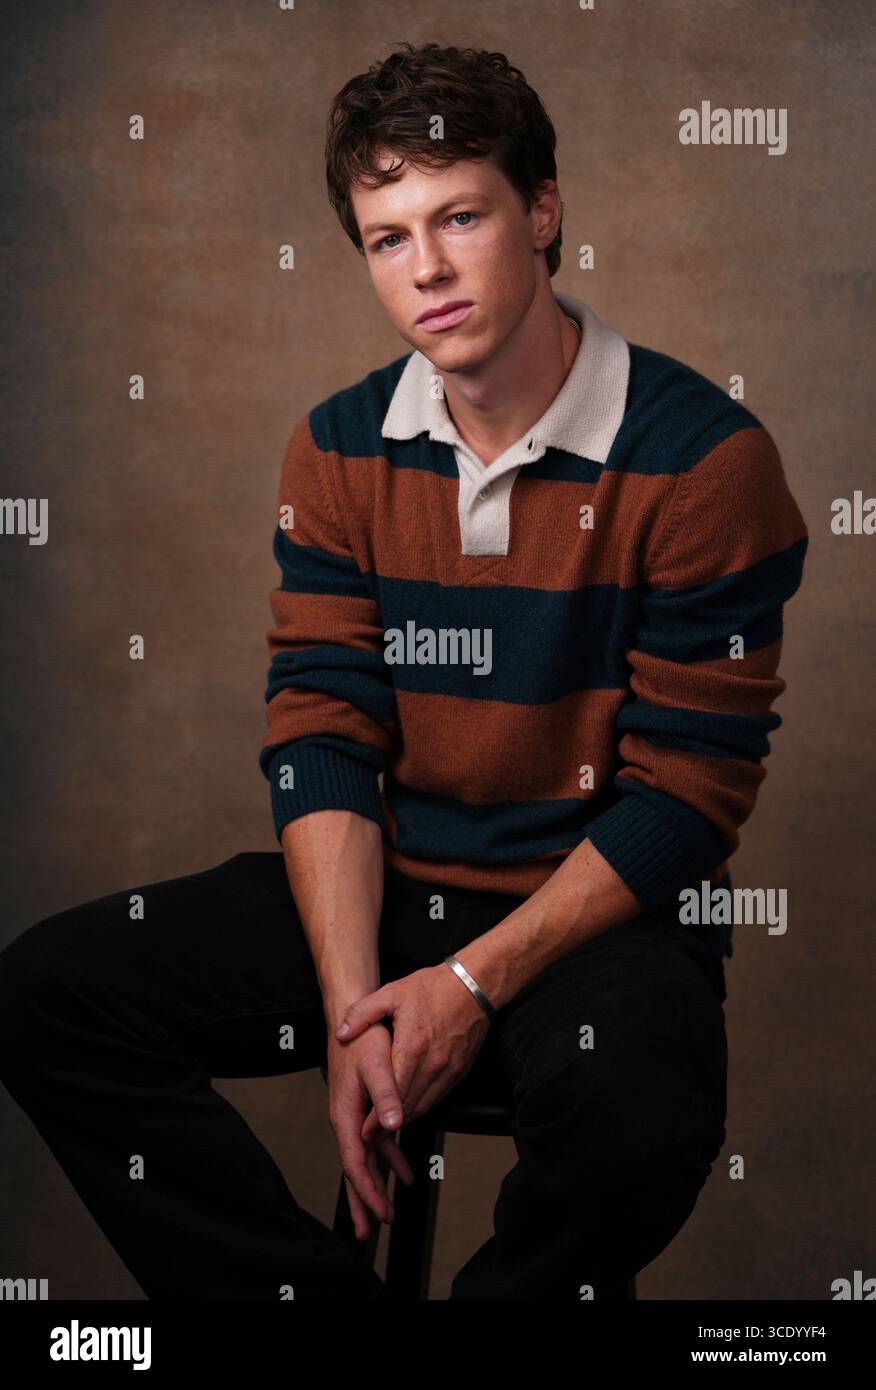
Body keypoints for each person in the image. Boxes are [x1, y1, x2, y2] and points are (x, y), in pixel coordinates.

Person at [0, 41, 808, 1301]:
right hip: (392, 894)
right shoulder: (337, 448)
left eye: (459, 216)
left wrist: (471, 986)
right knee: (49, 991)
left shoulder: (705, 460)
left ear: (542, 212)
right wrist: (352, 1008)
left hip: (598, 918)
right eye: (386, 237)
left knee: (637, 1107)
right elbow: (324, 729)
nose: (424, 268)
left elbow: (685, 802)